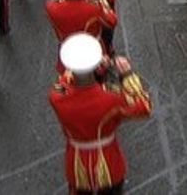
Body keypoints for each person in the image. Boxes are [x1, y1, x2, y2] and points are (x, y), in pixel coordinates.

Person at [49, 34, 153, 195]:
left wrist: (84, 63)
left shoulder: (56, 97)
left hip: (77, 165)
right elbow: (144, 107)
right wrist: (127, 75)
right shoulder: (111, 97)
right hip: (108, 163)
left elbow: (63, 82)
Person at [46, 0, 119, 69]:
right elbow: (112, 21)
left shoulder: (51, 6)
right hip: (91, 53)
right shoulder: (94, 9)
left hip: (67, 54)